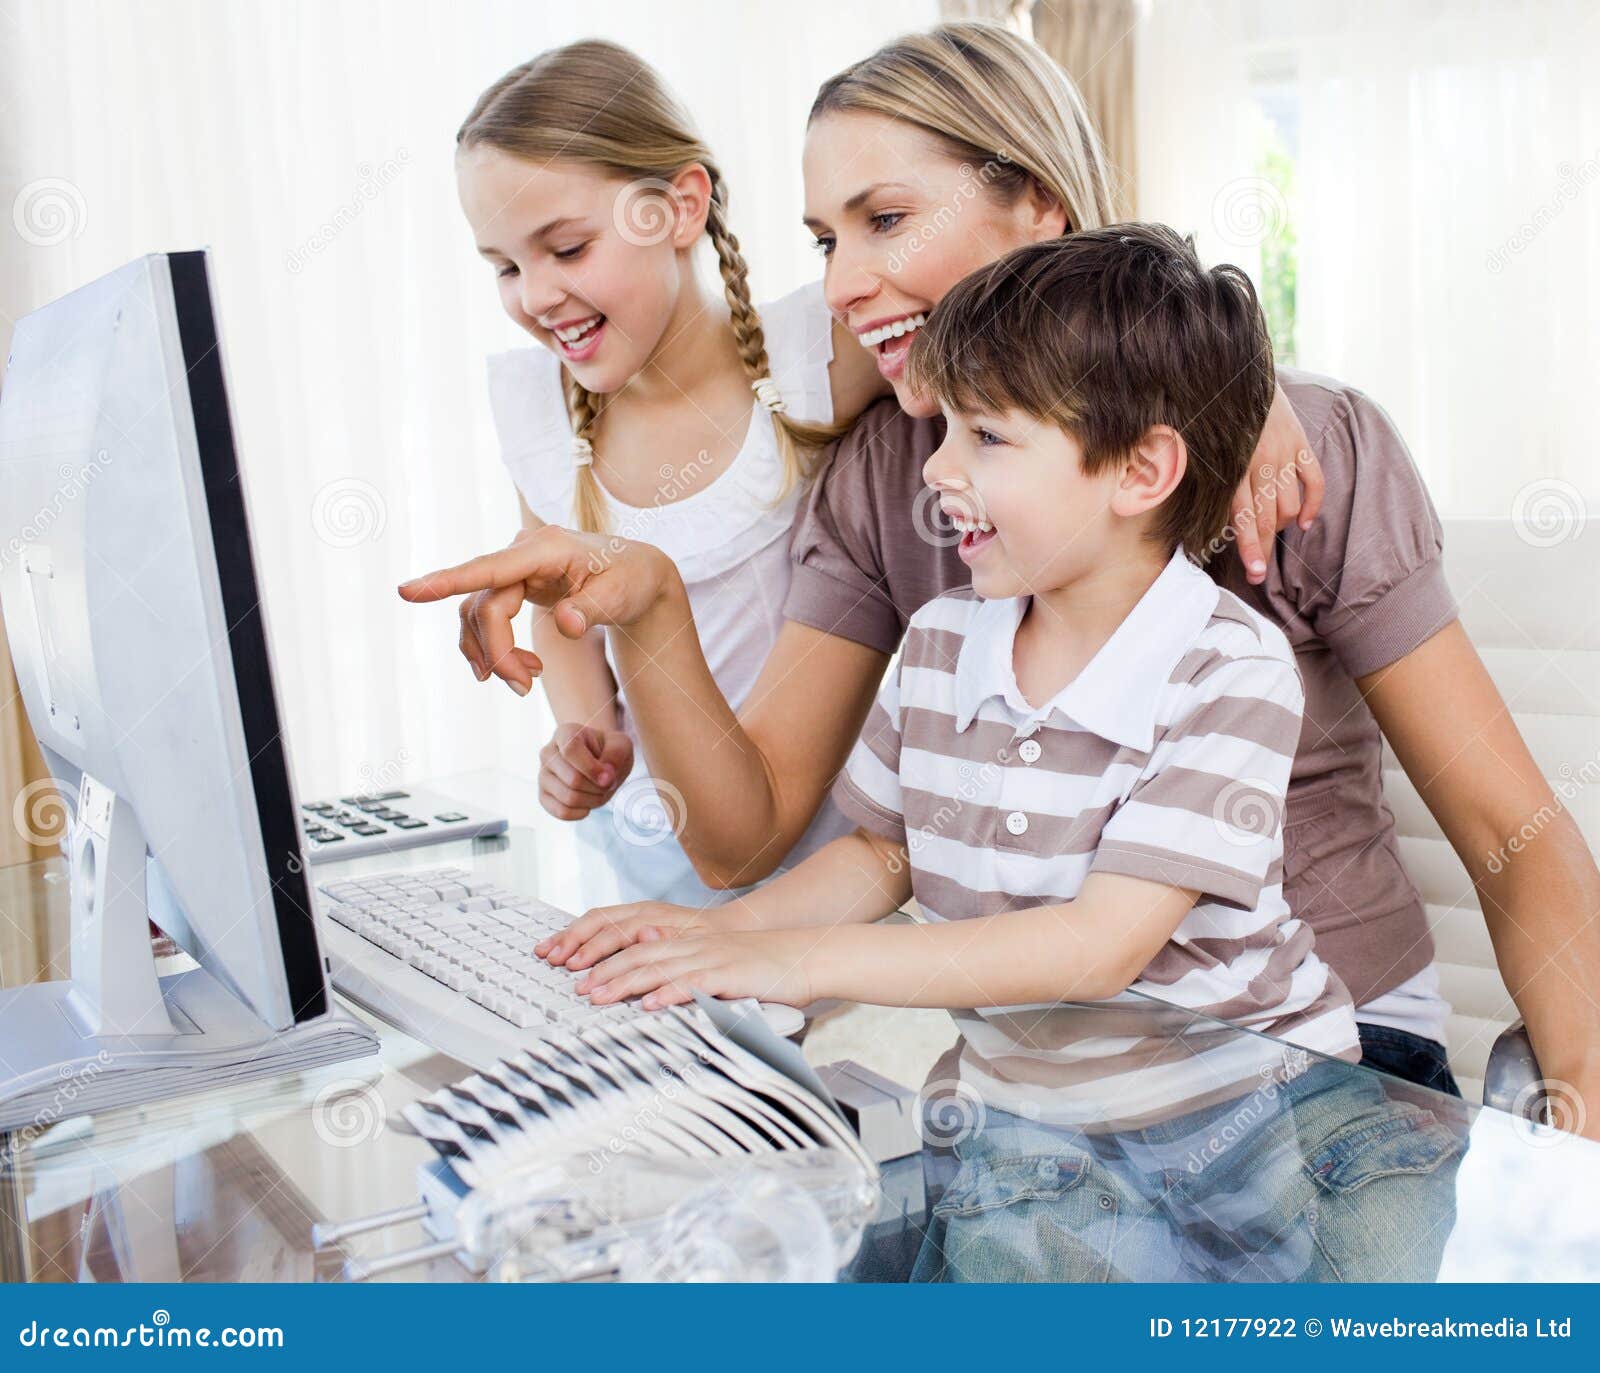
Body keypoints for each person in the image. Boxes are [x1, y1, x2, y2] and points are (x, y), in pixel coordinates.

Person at [403, 23, 1600, 1124]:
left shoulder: (1296, 450)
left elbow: (1510, 829)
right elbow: (751, 838)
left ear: (1037, 205)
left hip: (1311, 1064)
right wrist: (650, 600)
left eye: (884, 221)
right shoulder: (885, 478)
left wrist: (1578, 1122)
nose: (840, 285)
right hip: (1040, 1075)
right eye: (824, 239)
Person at [548, 229, 1463, 1282]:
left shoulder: (1226, 665)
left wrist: (787, 961)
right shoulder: (941, 642)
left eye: (985, 435)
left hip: (1249, 1138)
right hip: (1035, 1142)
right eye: (945, 429)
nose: (936, 468)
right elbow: (884, 850)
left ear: (1140, 470)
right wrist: (716, 935)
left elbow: (1096, 945)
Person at [449, 39, 882, 898]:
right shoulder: (538, 409)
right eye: (505, 267)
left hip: (813, 872)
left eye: (566, 250)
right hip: (647, 863)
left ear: (681, 206)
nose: (533, 296)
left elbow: (1022, 318)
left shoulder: (816, 355)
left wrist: (1231, 414)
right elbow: (560, 604)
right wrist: (584, 735)